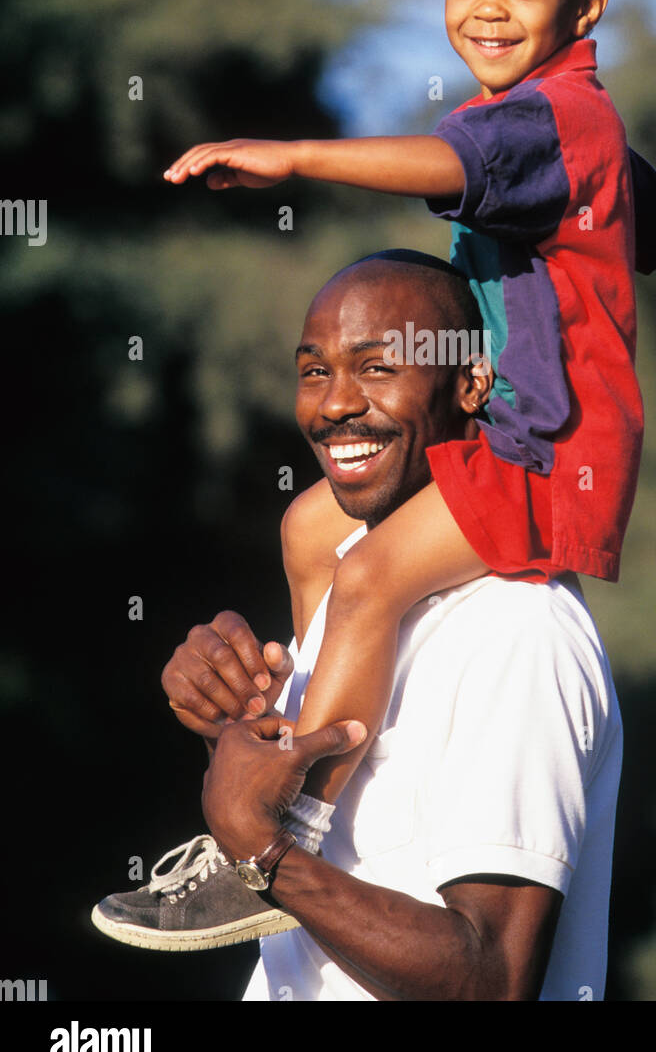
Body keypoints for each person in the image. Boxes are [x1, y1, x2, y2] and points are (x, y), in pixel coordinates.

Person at [94, 0, 656, 944]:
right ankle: (299, 719)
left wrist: (294, 155)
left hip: (554, 452)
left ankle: (285, 829)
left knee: (367, 575)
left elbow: (440, 160)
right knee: (312, 523)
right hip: (519, 439)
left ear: (585, 3)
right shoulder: (572, 129)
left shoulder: (538, 126)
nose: (488, 9)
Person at [95, 253, 624, 1001]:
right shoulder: (353, 569)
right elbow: (331, 815)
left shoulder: (517, 631)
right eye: (314, 372)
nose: (335, 404)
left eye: (378, 369)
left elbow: (493, 977)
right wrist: (229, 723)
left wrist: (266, 855)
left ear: (471, 383)